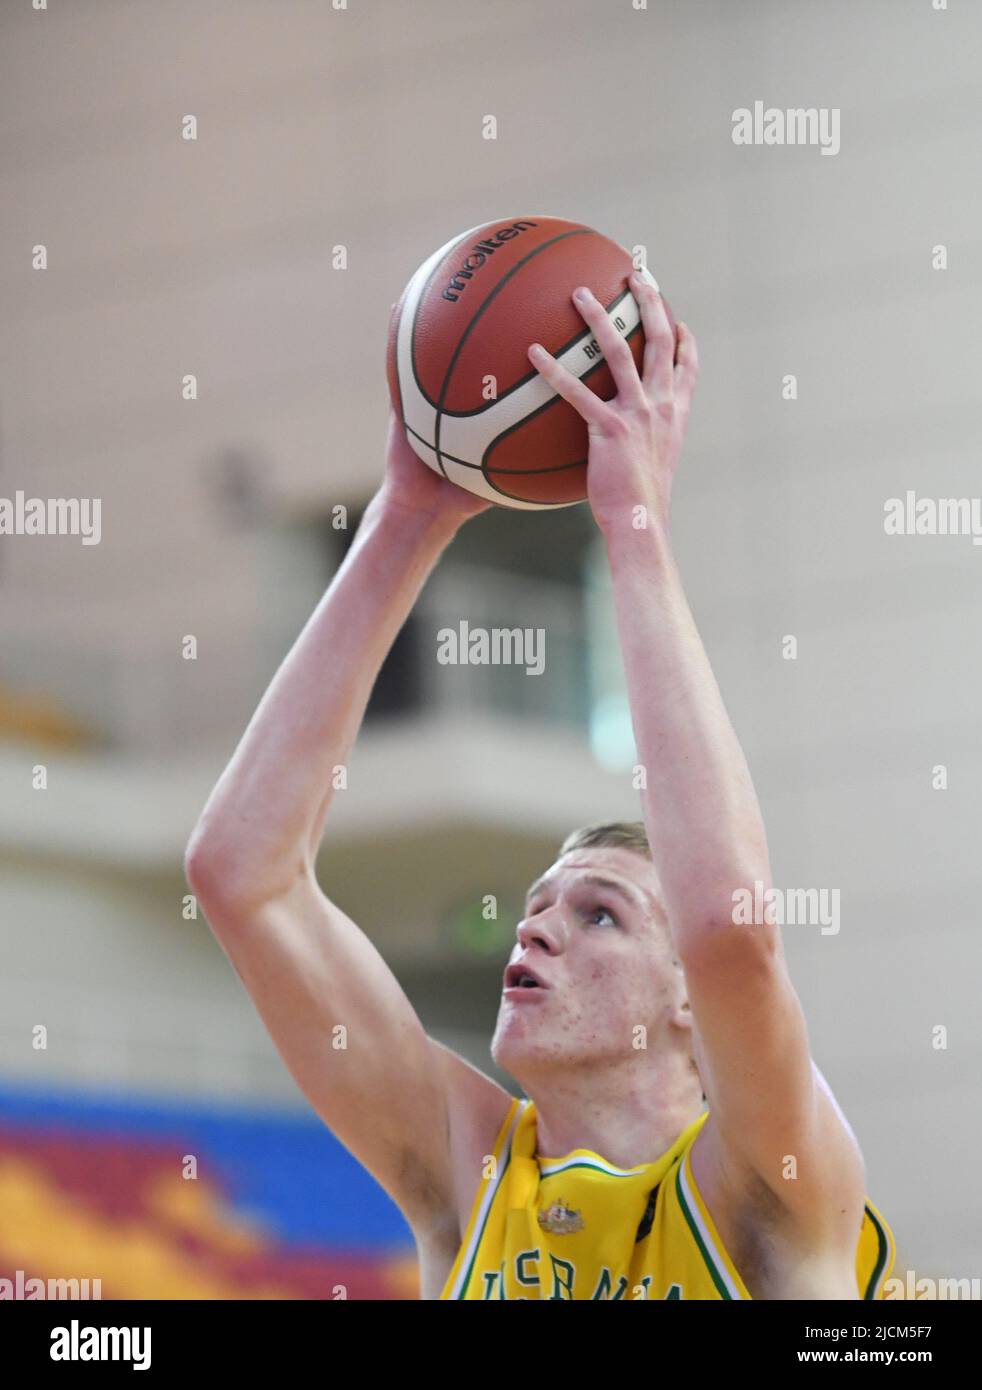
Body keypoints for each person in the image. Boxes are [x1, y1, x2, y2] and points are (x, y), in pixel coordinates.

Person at [185, 275, 894, 1299]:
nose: (535, 933)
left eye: (600, 914)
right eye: (535, 910)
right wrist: (407, 517)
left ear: (686, 1001)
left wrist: (634, 525)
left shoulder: (764, 1189)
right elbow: (240, 872)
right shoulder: (471, 1174)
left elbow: (729, 930)